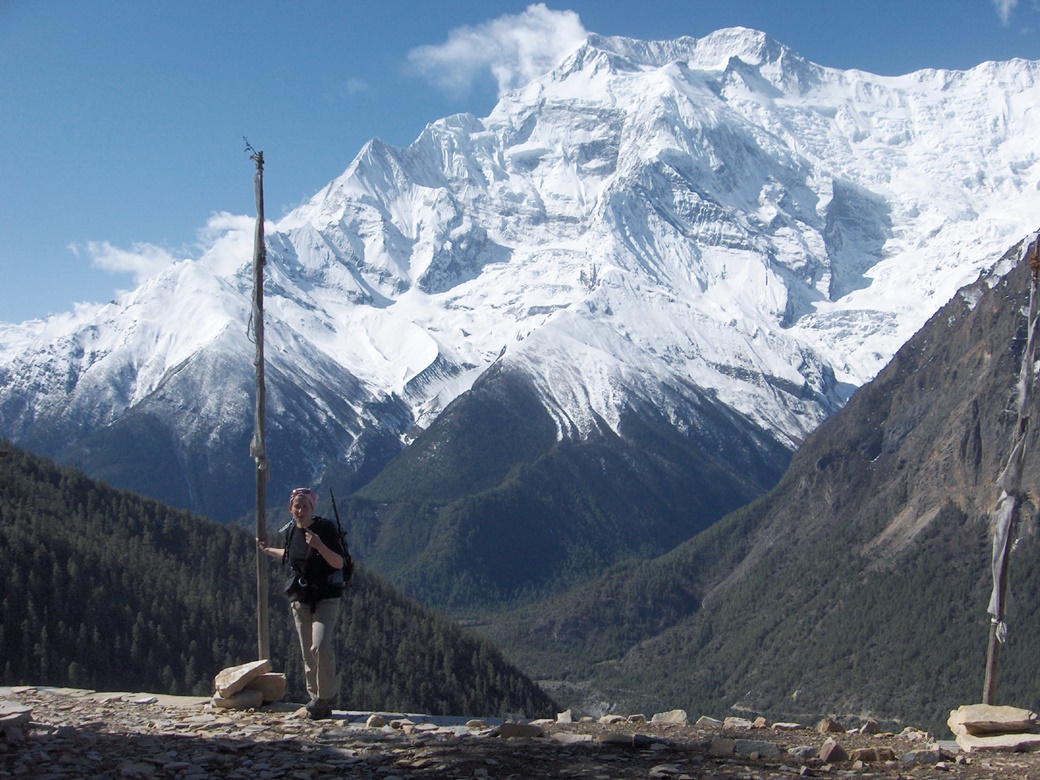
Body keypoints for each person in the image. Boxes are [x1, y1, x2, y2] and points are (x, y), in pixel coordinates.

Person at [257, 487, 345, 720]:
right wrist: (267, 550)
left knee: (320, 646)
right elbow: (289, 555)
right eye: (297, 506)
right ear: (290, 509)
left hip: (326, 598)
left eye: (305, 506)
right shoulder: (291, 531)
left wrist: (319, 546)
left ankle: (325, 697)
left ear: (312, 509)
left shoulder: (324, 530)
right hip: (301, 599)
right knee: (308, 652)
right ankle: (317, 700)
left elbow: (339, 563)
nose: (300, 510)